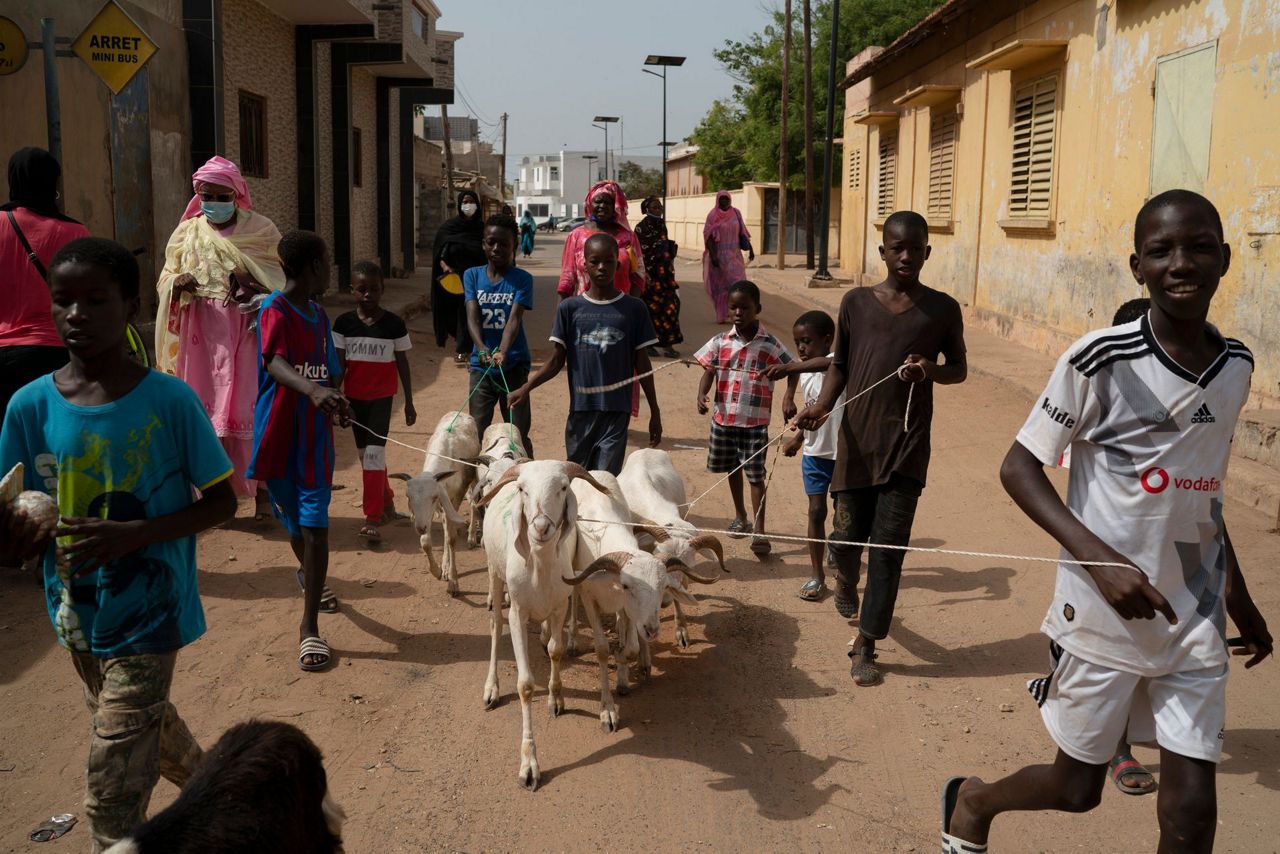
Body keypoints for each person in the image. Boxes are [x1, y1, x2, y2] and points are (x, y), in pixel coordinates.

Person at [941, 191, 1273, 854]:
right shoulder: (1101, 358)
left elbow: (1201, 494)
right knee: (1076, 789)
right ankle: (974, 800)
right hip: (1100, 613)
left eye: (1199, 247)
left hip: (1194, 617)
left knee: (1191, 815)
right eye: (1162, 251)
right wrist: (1101, 563)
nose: (1182, 263)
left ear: (1225, 259)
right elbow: (1019, 468)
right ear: (1137, 266)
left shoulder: (1236, 366)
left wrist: (1239, 598)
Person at [0, 237, 238, 852]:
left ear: (131, 306)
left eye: (95, 300)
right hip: (77, 614)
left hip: (151, 617)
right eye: (63, 301)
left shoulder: (169, 402)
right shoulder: (27, 408)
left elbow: (222, 501)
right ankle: (236, 797)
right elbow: (11, 529)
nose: (76, 314)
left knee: (111, 798)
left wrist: (137, 533)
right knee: (153, 738)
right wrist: (17, 540)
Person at [794, 210, 967, 687]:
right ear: (882, 252)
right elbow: (840, 366)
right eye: (897, 248)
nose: (906, 256)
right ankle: (844, 577)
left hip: (907, 445)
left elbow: (959, 369)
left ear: (928, 252)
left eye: (916, 248)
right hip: (857, 443)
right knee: (847, 539)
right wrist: (823, 407)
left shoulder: (943, 310)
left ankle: (866, 644)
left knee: (888, 552)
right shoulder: (854, 303)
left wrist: (928, 370)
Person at [155, 155, 286, 519]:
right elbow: (167, 274)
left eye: (220, 194)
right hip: (200, 335)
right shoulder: (187, 231)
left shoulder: (261, 230)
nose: (212, 201)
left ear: (236, 193)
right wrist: (175, 284)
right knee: (202, 412)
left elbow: (281, 279)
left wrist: (256, 290)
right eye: (205, 194)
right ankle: (213, 498)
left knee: (250, 409)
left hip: (245, 332)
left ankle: (261, 496)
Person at [246, 230, 350, 672]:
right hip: (279, 435)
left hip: (315, 442)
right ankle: (310, 576)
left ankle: (309, 628)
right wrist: (311, 390)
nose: (329, 270)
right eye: (326, 261)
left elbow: (329, 373)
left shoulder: (319, 315)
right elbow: (273, 361)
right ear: (311, 267)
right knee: (295, 525)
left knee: (316, 529)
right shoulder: (275, 309)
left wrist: (334, 399)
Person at [507, 233, 661, 474]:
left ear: (617, 264)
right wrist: (525, 388)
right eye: (595, 261)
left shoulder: (633, 309)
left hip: (616, 412)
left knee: (604, 479)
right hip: (580, 411)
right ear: (584, 264)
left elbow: (643, 363)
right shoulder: (570, 308)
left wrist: (655, 411)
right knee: (577, 478)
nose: (602, 267)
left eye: (608, 261)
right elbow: (557, 360)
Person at [695, 280, 796, 555]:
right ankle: (741, 516)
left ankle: (760, 530)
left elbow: (792, 367)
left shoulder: (769, 344)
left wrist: (788, 397)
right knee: (732, 468)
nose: (738, 312)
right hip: (724, 419)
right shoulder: (720, 342)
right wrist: (702, 395)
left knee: (755, 476)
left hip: (754, 423)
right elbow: (709, 370)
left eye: (744, 307)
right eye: (733, 307)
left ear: (757, 309)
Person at [0, 147, 89, 423]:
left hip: (4, 353)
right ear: (53, 184)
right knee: (55, 446)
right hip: (59, 355)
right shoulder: (75, 233)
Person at [332, 260, 416, 542]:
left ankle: (372, 516)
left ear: (382, 290)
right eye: (362, 289)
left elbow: (403, 363)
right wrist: (336, 397)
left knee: (373, 456)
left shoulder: (393, 324)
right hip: (355, 401)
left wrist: (410, 402)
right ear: (352, 290)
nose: (368, 294)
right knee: (365, 456)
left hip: (382, 400)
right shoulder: (343, 324)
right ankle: (388, 503)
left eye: (375, 289)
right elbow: (340, 365)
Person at [773, 310, 841, 599]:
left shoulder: (838, 363)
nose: (800, 348)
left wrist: (789, 369)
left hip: (843, 455)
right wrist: (799, 439)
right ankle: (816, 576)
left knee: (843, 515)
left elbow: (829, 364)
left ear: (827, 340)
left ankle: (838, 548)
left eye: (806, 341)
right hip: (816, 454)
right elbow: (813, 408)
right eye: (796, 342)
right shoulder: (806, 372)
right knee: (816, 511)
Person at [465, 214, 534, 456]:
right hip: (481, 367)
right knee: (477, 431)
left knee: (518, 433)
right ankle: (477, 486)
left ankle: (525, 478)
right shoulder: (472, 275)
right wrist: (481, 348)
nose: (497, 248)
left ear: (514, 246)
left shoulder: (522, 280)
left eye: (504, 244)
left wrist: (503, 351)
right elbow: (472, 316)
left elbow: (514, 319)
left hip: (513, 366)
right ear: (483, 243)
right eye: (491, 242)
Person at [557, 180, 645, 300]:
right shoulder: (576, 236)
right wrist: (562, 312)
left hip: (621, 309)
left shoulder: (629, 237)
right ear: (589, 204)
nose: (602, 206)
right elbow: (567, 278)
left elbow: (638, 275)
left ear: (614, 206)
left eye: (607, 202)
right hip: (585, 310)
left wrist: (632, 306)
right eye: (598, 201)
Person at [431, 190, 486, 366]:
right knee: (456, 314)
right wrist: (446, 268)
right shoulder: (449, 228)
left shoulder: (483, 229)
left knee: (470, 313)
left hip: (478, 279)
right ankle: (463, 345)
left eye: (471, 201)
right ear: (459, 204)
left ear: (477, 204)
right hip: (454, 280)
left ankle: (465, 349)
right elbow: (440, 254)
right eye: (465, 201)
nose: (468, 205)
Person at [634, 195, 683, 357]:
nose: (658, 210)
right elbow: (641, 253)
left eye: (660, 207)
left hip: (666, 278)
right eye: (655, 207)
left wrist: (668, 250)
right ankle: (649, 345)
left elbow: (663, 248)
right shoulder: (641, 228)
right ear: (646, 209)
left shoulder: (661, 225)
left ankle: (668, 345)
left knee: (671, 307)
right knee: (650, 312)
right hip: (650, 278)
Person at [702, 190, 754, 325]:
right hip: (719, 256)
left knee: (739, 283)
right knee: (722, 286)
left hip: (735, 255)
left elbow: (743, 232)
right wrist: (713, 256)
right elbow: (708, 237)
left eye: (727, 199)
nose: (725, 201)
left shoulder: (736, 213)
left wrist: (751, 249)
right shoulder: (713, 215)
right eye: (722, 199)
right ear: (718, 200)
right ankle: (722, 314)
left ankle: (740, 314)